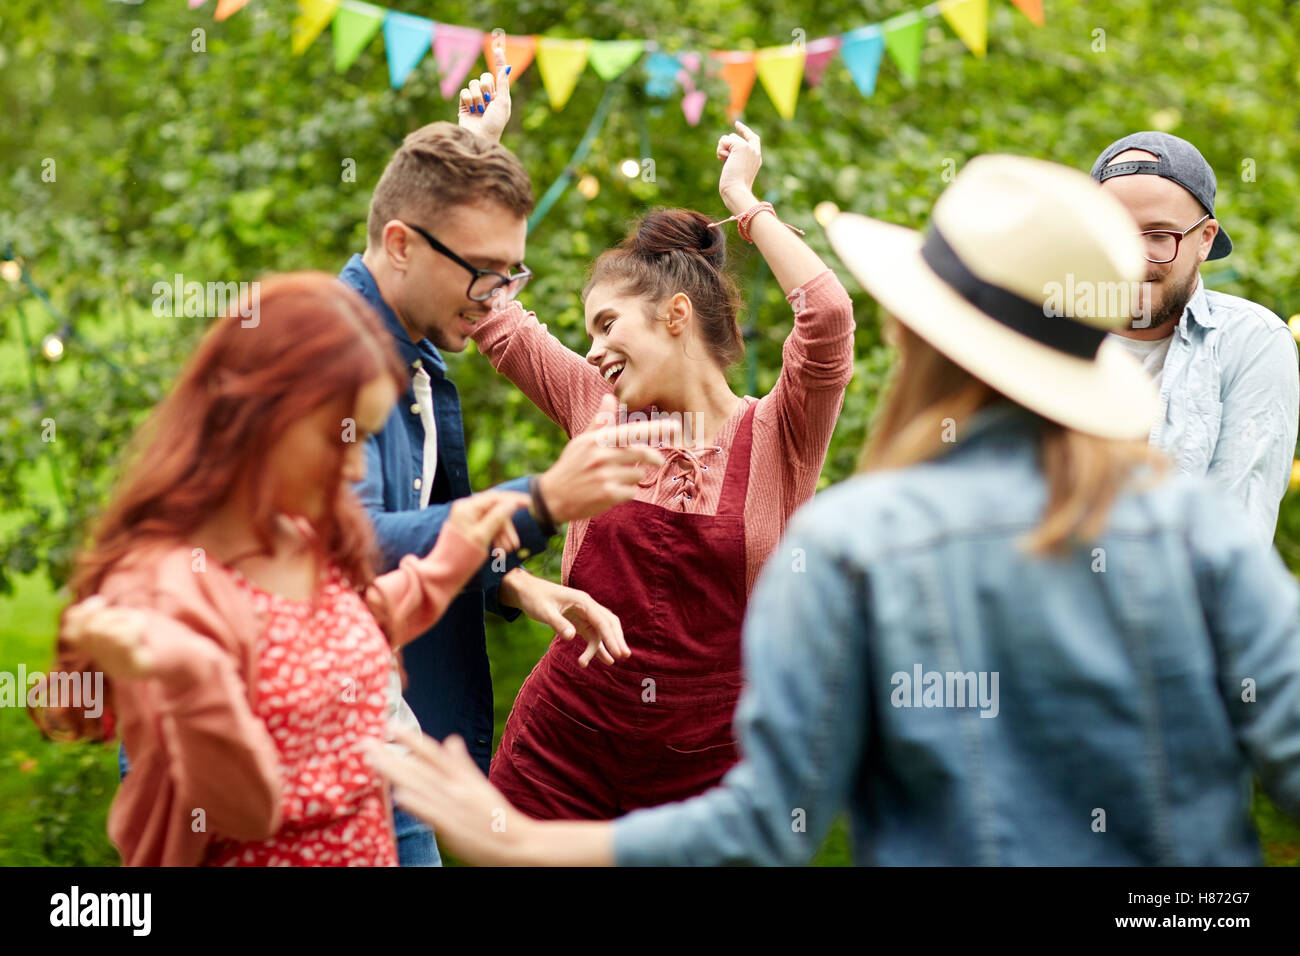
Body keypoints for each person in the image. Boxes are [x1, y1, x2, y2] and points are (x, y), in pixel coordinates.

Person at [368, 155, 1300, 866]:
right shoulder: (1202, 537)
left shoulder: (859, 541)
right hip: (569, 741)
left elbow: (769, 818)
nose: (595, 345)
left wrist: (519, 844)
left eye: (609, 321)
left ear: (915, 329)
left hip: (697, 755)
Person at [30, 273, 532, 866]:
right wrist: (194, 679)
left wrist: (453, 558)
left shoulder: (298, 532)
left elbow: (349, 635)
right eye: (338, 439)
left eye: (364, 439)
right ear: (261, 416)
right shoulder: (163, 594)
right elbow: (242, 811)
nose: (355, 470)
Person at [460, 116, 855, 819]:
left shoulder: (780, 431)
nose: (591, 352)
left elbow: (825, 315)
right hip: (563, 761)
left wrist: (745, 201)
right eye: (587, 333)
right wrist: (475, 155)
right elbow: (488, 308)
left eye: (607, 324)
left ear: (676, 314)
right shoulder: (596, 404)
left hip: (715, 777)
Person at [341, 50, 673, 863]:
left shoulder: (414, 350)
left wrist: (513, 581)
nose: (497, 296)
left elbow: (409, 527)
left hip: (386, 719)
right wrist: (540, 502)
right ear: (400, 244)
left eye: (509, 271)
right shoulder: (337, 358)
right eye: (484, 273)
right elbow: (348, 549)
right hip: (300, 737)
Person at [1090, 131, 1299, 545]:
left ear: (1204, 239)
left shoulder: (1250, 341)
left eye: (1158, 236)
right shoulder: (1040, 331)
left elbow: (1232, 538)